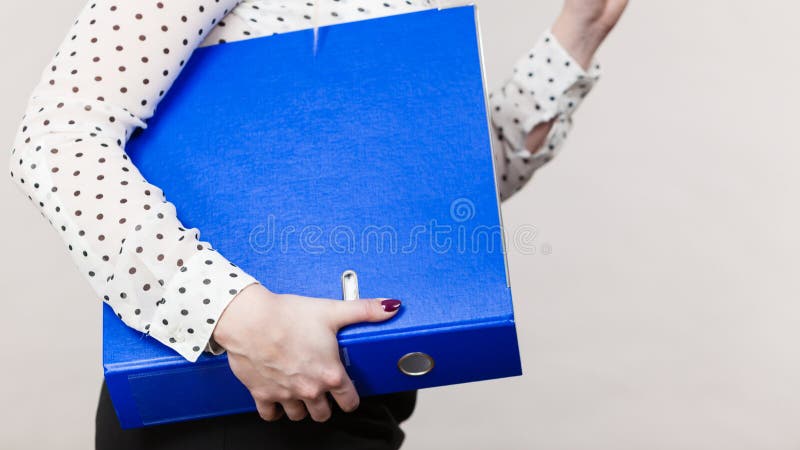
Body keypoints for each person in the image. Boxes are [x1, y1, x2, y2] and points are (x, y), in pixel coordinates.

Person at [7, 0, 628, 449]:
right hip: (221, 406)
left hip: (350, 397)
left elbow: (434, 191)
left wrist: (580, 30)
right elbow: (56, 140)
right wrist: (242, 318)